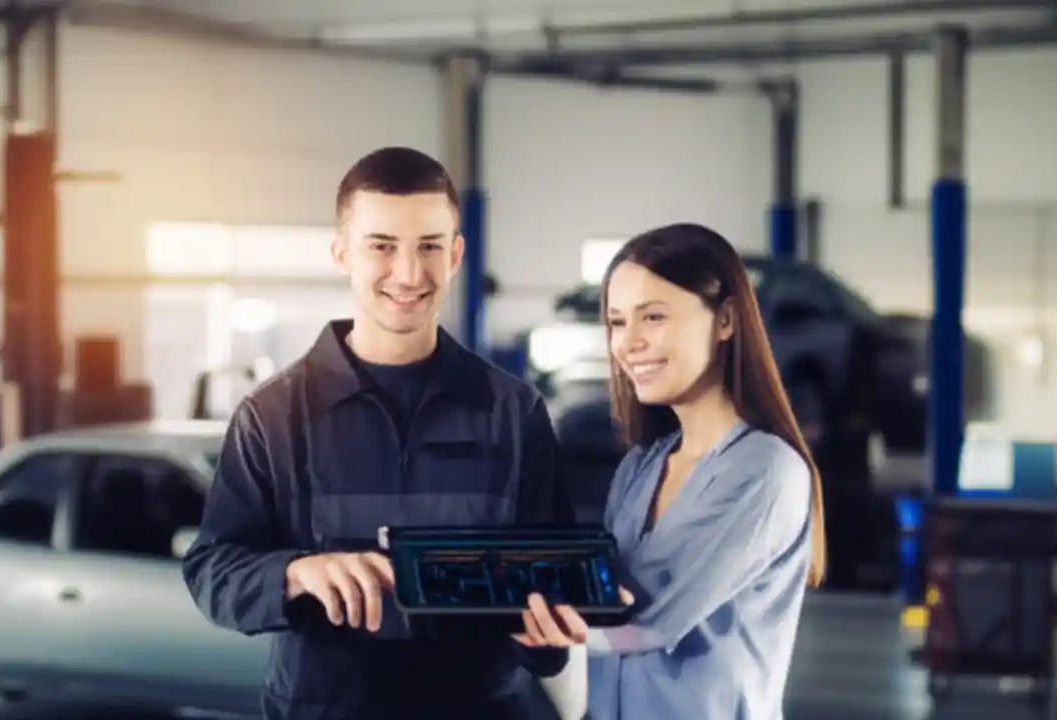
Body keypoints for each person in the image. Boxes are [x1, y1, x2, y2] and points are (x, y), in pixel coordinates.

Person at [181, 146, 572, 720]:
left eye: (429, 247)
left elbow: (553, 579)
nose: (409, 273)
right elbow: (213, 570)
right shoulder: (274, 415)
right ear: (342, 253)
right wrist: (295, 572)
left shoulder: (513, 410)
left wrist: (546, 638)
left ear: (457, 254)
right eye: (382, 246)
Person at [515, 223, 828, 720]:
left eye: (653, 317)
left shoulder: (765, 471)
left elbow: (651, 621)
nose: (628, 342)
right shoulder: (641, 467)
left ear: (725, 319)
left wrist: (527, 616)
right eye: (616, 322)